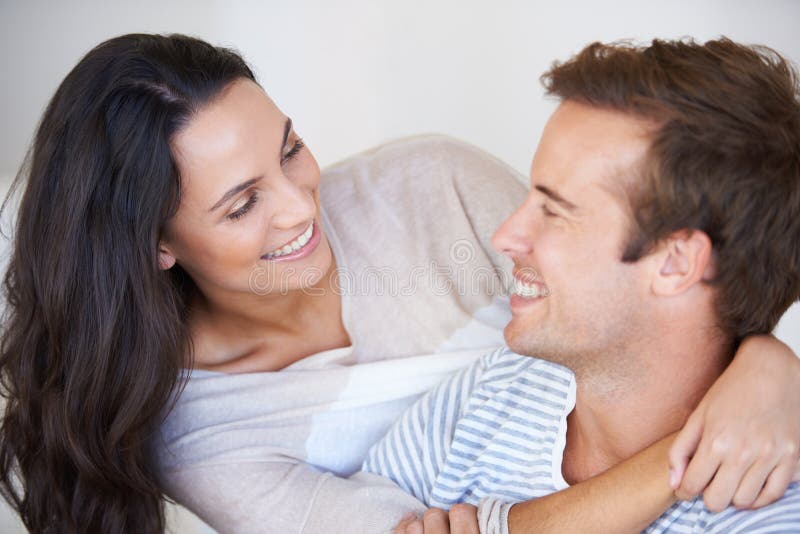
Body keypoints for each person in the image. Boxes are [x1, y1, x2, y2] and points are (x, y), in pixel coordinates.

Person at [0, 33, 797, 534]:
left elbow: (651, 283)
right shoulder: (207, 436)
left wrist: (771, 363)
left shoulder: (429, 184)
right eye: (242, 204)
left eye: (290, 150)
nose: (299, 206)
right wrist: (691, 459)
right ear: (156, 245)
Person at [365, 38, 800, 533]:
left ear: (675, 263)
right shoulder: (502, 389)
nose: (505, 236)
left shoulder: (764, 517)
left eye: (554, 210)